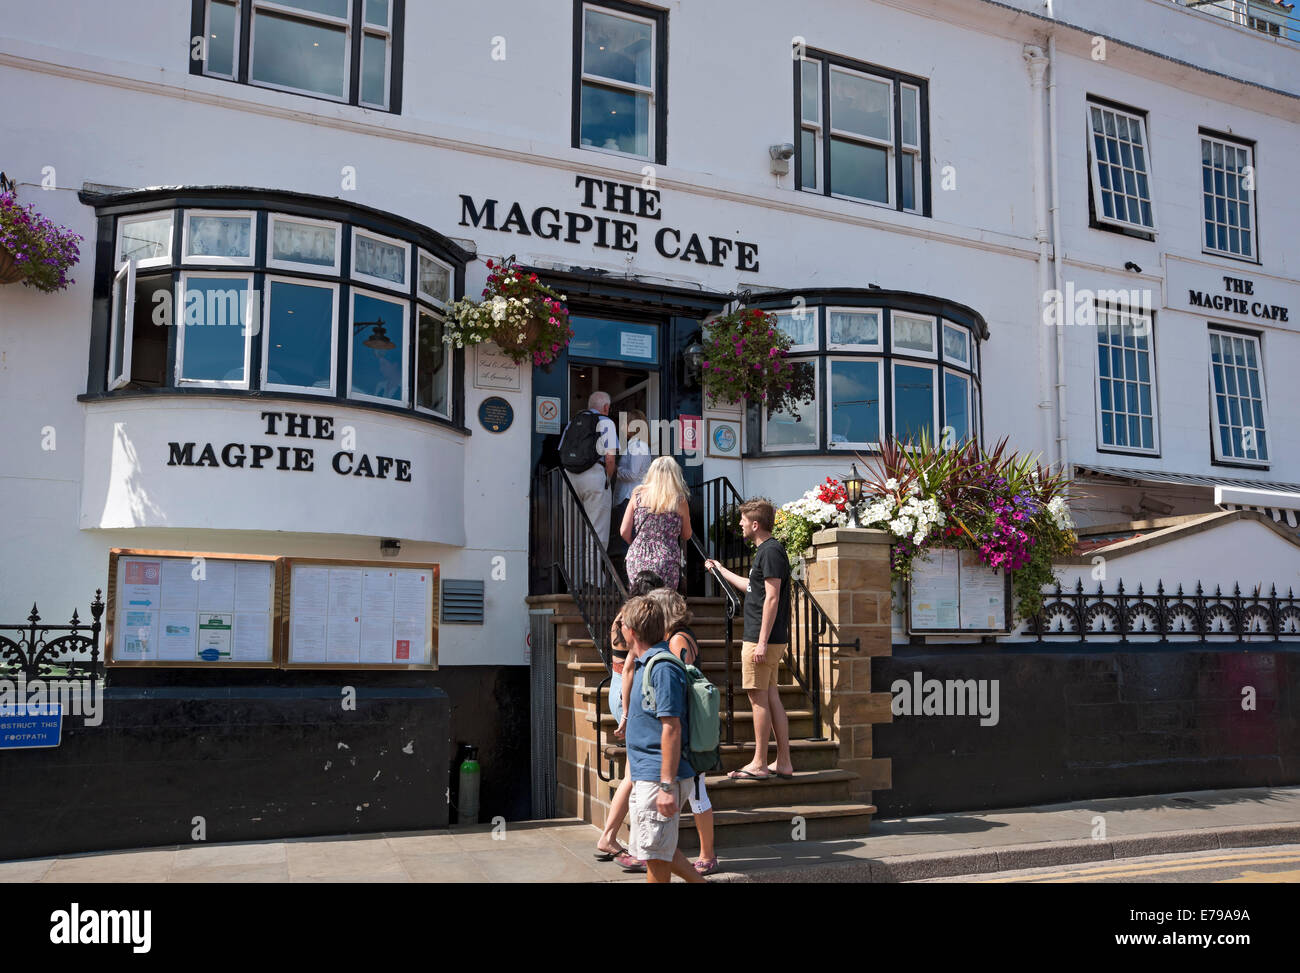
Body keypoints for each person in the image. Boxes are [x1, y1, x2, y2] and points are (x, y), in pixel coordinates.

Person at [705, 498, 794, 781]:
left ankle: (758, 762)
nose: (740, 524)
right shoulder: (768, 552)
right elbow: (753, 588)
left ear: (755, 525)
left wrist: (762, 642)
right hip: (766, 638)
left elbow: (772, 597)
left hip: (760, 637)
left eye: (743, 520)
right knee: (771, 697)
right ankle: (783, 762)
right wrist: (720, 570)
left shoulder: (769, 552)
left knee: (759, 701)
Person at [619, 594, 706, 883]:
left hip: (660, 779)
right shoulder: (646, 662)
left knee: (655, 859)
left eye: (622, 624)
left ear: (631, 632)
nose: (618, 628)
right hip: (650, 775)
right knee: (659, 851)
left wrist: (667, 786)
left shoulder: (662, 667)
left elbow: (672, 727)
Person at [647, 587, 718, 876]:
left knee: (698, 793)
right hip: (689, 726)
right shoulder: (680, 635)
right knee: (696, 792)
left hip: (690, 729)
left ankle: (707, 855)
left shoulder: (677, 639)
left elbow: (683, 681)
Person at [595, 570, 663, 864]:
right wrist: (626, 712)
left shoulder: (620, 618)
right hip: (627, 690)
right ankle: (609, 837)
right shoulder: (635, 623)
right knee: (632, 775)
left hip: (615, 684)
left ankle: (623, 838)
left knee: (633, 774)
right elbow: (632, 668)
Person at [558, 391, 619, 577]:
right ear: (606, 407)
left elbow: (561, 450)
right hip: (594, 475)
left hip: (569, 477)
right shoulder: (606, 422)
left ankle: (573, 582)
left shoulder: (573, 422)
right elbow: (610, 459)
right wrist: (607, 480)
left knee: (572, 535)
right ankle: (594, 581)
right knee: (596, 531)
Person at [620, 456, 692, 591]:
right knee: (663, 605)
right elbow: (687, 534)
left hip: (637, 557)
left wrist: (638, 544)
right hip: (666, 558)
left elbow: (624, 531)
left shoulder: (637, 495)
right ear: (674, 475)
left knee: (639, 603)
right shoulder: (679, 500)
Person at [610, 408, 652, 556]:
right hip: (626, 498)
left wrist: (615, 469)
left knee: (627, 544)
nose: (621, 426)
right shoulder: (634, 445)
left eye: (625, 422)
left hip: (629, 499)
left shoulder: (638, 446)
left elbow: (633, 475)